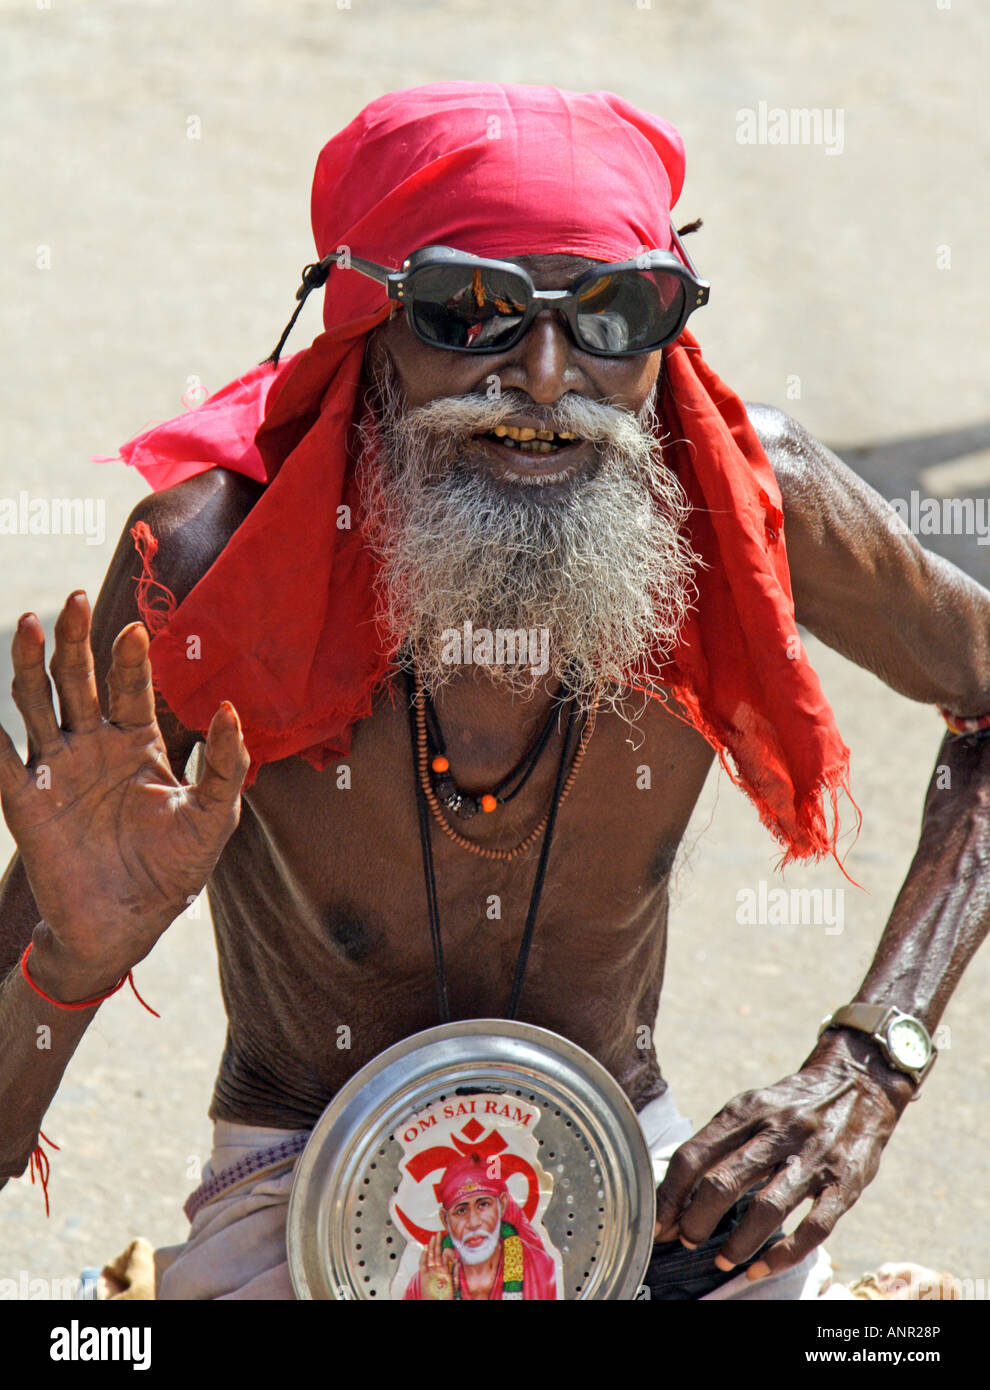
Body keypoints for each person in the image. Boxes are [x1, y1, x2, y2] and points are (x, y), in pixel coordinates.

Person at [1, 82, 988, 1302]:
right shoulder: (210, 568)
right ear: (365, 324)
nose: (544, 372)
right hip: (301, 1196)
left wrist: (868, 1064)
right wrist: (65, 965)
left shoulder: (743, 506)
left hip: (636, 1185)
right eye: (470, 312)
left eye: (616, 314)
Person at [402, 1155, 559, 1301]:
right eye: (461, 1210)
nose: (473, 1223)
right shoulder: (425, 1282)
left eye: (483, 1205)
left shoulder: (540, 1268)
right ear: (445, 1219)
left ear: (502, 1205)